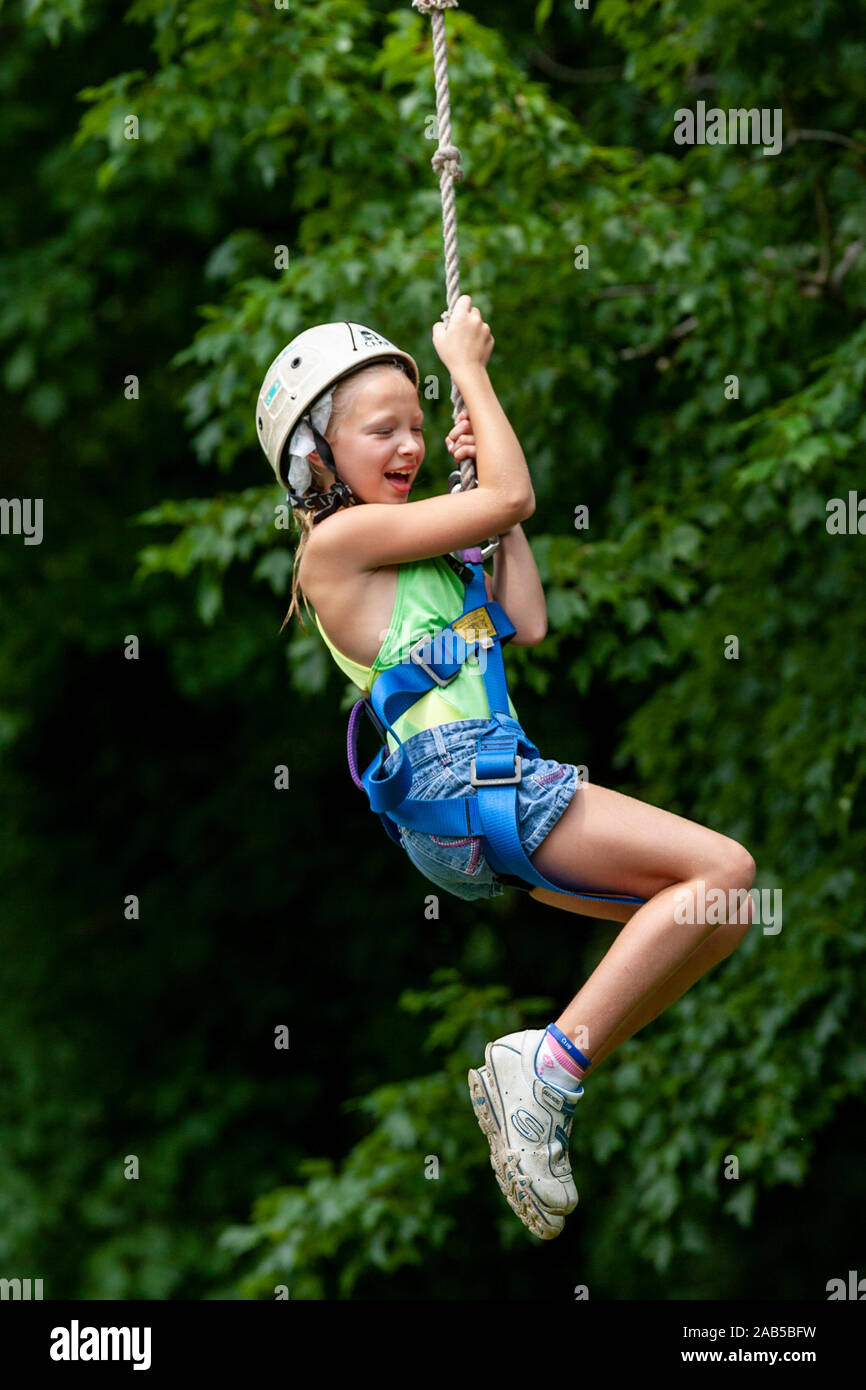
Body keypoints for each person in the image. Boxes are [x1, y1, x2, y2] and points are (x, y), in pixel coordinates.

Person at [255, 295, 756, 1241]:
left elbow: (527, 618)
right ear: (316, 459)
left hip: (474, 800)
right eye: (382, 430)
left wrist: (485, 480)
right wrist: (471, 373)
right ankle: (548, 1070)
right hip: (461, 783)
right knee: (726, 871)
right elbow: (515, 498)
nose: (409, 444)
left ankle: (552, 1073)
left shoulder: (436, 561)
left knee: (712, 919)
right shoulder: (337, 545)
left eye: (417, 423)